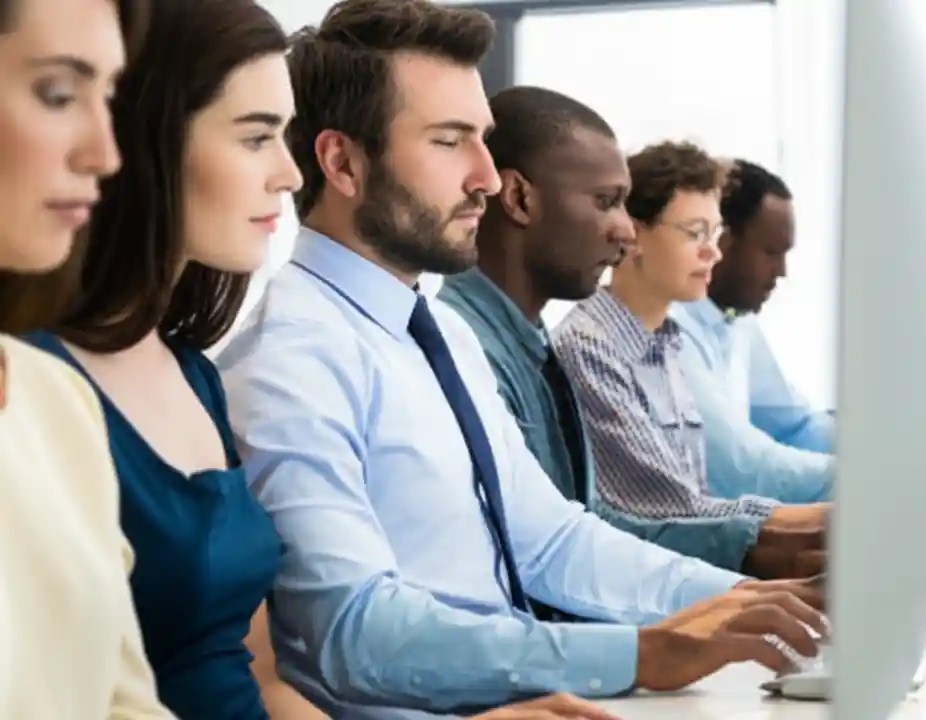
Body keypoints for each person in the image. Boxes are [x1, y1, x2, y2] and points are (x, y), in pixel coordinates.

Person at [217, 2, 825, 717]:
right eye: (450, 142)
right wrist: (642, 652)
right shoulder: (289, 359)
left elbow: (549, 541)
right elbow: (354, 631)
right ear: (342, 162)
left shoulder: (438, 334)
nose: (485, 176)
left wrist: (737, 602)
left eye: (484, 140)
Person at [14, 1, 326, 717]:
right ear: (149, 141)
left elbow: (258, 677)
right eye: (256, 138)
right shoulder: (39, 386)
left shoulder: (195, 375)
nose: (289, 173)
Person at [439, 86, 823, 580]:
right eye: (606, 202)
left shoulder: (535, 348)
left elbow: (585, 528)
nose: (624, 232)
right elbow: (557, 556)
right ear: (517, 198)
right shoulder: (479, 350)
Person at [0, 0, 171, 716]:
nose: (106, 153)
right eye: (59, 94)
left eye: (107, 97)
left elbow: (127, 706)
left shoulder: (56, 401)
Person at [552, 142, 830, 533]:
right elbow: (673, 514)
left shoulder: (667, 343)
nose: (712, 254)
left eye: (714, 235)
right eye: (695, 233)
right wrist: (828, 514)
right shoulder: (589, 347)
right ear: (633, 235)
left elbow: (694, 505)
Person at [668, 159, 835, 504]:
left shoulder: (736, 318)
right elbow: (745, 470)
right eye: (771, 253)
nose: (782, 272)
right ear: (722, 242)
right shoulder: (667, 330)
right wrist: (874, 475)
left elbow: (795, 425)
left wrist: (898, 447)